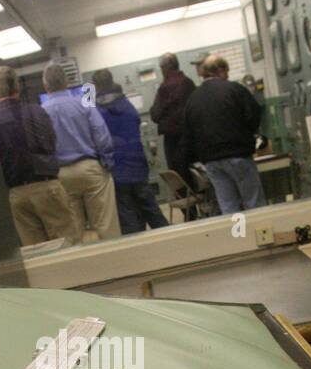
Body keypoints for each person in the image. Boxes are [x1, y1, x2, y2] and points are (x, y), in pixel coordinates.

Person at [0, 66, 80, 247]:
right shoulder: (37, 112)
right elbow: (51, 144)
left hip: (16, 194)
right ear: (18, 87)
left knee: (37, 253)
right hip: (46, 186)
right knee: (68, 244)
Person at [179, 54, 267, 214]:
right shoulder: (234, 89)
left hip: (212, 162)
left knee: (229, 206)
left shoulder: (193, 98)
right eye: (226, 71)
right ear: (220, 70)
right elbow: (254, 115)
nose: (227, 76)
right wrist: (249, 137)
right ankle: (259, 236)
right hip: (238, 155)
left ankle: (238, 236)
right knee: (253, 203)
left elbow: (188, 132)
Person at [42, 63, 120, 241]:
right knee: (106, 226)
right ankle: (118, 264)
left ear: (45, 86)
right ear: (67, 82)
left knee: (72, 231)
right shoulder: (84, 103)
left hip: (61, 175)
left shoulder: (42, 112)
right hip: (90, 168)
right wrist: (106, 163)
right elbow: (102, 136)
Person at [91, 69, 169, 235]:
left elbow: (95, 136)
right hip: (137, 163)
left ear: (96, 87)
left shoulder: (96, 111)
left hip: (116, 168)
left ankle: (138, 250)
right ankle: (170, 241)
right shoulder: (126, 104)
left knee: (127, 215)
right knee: (151, 209)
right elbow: (135, 123)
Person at [149, 52, 196, 178]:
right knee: (196, 175)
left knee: (180, 177)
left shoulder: (164, 88)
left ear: (164, 68)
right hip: (193, 136)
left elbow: (155, 115)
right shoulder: (189, 83)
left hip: (174, 140)